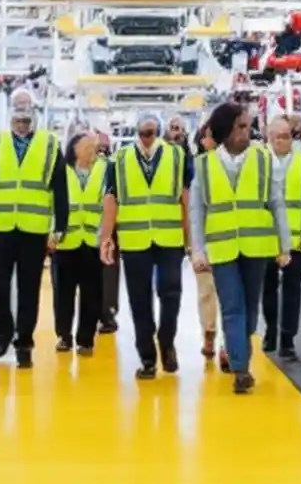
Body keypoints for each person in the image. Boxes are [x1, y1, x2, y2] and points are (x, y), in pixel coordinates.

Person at [189, 103, 291, 394]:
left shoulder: (263, 158)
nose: (248, 132)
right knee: (232, 306)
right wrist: (198, 251)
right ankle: (240, 368)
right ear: (225, 130)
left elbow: (276, 203)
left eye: (248, 126)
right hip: (221, 248)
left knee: (249, 307)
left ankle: (237, 353)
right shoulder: (204, 165)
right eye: (240, 127)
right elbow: (197, 212)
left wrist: (284, 246)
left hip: (256, 246)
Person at [0, 89, 70, 369]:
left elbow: (60, 189)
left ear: (34, 114)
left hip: (34, 228)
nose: (21, 122)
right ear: (10, 116)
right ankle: (3, 332)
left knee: (29, 289)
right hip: (2, 226)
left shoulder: (50, 144)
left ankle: (24, 342)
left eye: (26, 116)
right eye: (17, 116)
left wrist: (60, 226)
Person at [99, 112, 192, 379]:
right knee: (139, 300)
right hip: (135, 240)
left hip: (169, 238)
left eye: (151, 133)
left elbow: (186, 198)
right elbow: (111, 199)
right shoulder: (119, 158)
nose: (146, 138)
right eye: (142, 133)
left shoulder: (177, 155)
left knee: (171, 293)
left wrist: (190, 239)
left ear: (159, 133)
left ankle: (166, 339)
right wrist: (107, 238)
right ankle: (147, 357)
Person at [260, 115, 301, 361]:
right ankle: (271, 331)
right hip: (267, 239)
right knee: (268, 287)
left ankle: (287, 338)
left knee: (292, 288)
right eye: (278, 137)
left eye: (287, 136)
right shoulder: (259, 162)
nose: (283, 142)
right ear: (269, 138)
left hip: (297, 240)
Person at [53, 133, 107, 355]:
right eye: (88, 146)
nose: (93, 150)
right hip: (66, 240)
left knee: (92, 293)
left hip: (93, 241)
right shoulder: (62, 170)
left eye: (95, 146)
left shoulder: (105, 168)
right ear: (75, 148)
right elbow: (51, 201)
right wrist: (52, 231)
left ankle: (86, 339)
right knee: (63, 293)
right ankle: (64, 335)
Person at [189, 120, 221, 361]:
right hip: (206, 238)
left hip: (234, 239)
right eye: (208, 136)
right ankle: (209, 334)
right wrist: (194, 246)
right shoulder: (196, 168)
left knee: (231, 296)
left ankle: (230, 345)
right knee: (206, 291)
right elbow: (194, 209)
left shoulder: (238, 163)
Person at [94, 130, 120, 334]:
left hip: (108, 226)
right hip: (86, 229)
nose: (101, 150)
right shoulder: (77, 168)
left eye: (104, 146)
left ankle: (108, 314)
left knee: (107, 274)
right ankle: (99, 313)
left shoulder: (112, 168)